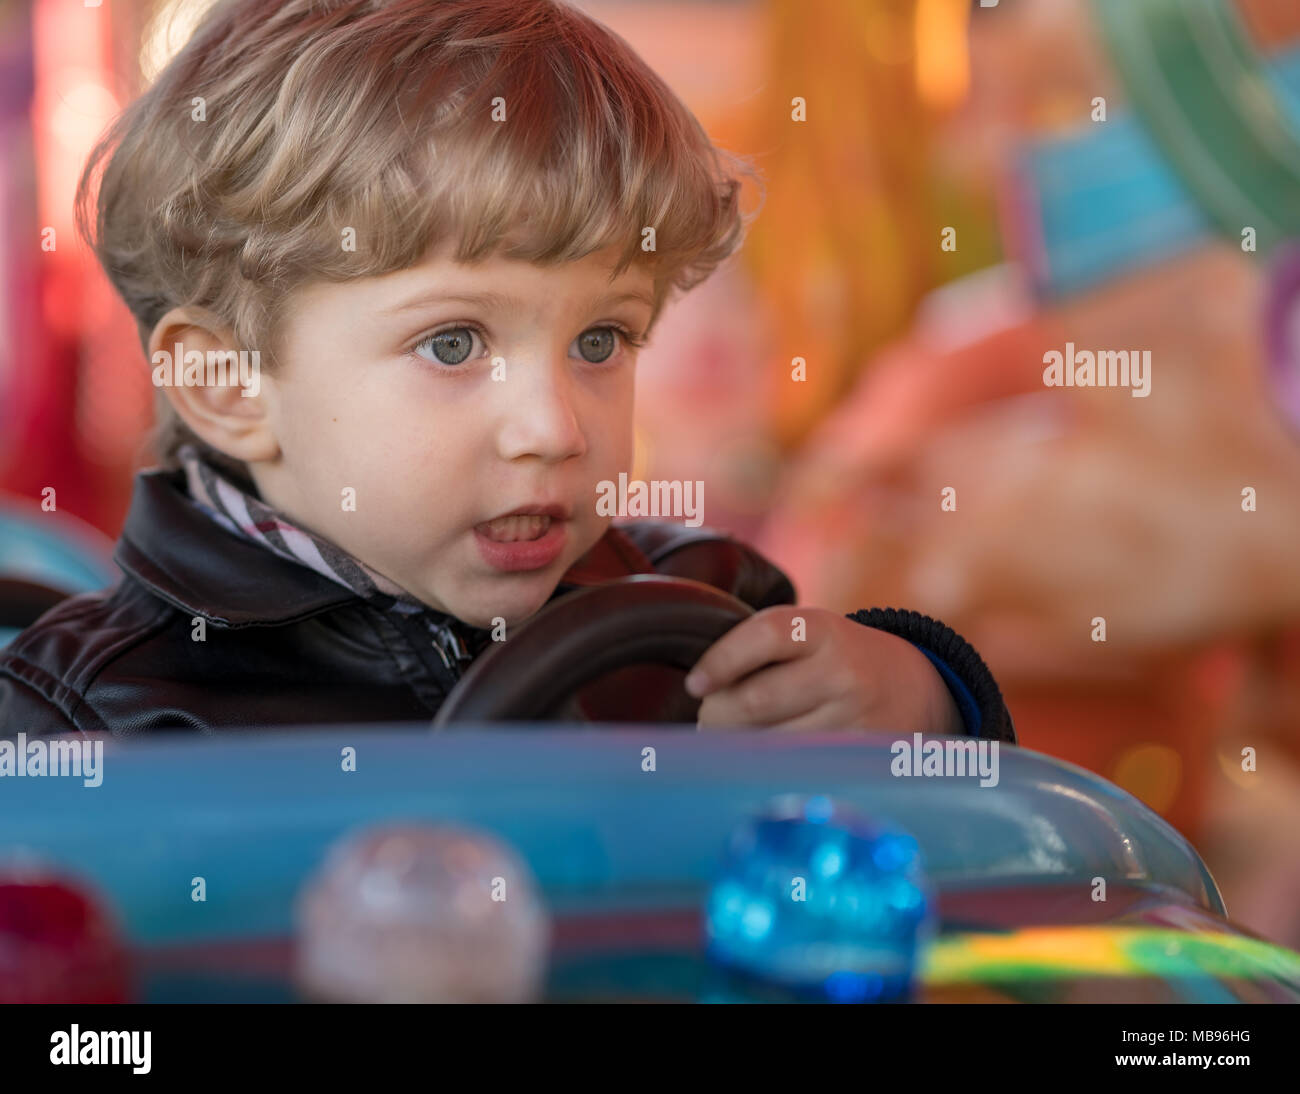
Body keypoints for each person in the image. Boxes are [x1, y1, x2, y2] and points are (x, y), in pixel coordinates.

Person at [0, 0, 1012, 740]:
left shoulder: (700, 614)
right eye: (453, 344)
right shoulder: (88, 718)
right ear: (231, 384)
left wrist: (923, 698)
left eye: (599, 341)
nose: (555, 428)